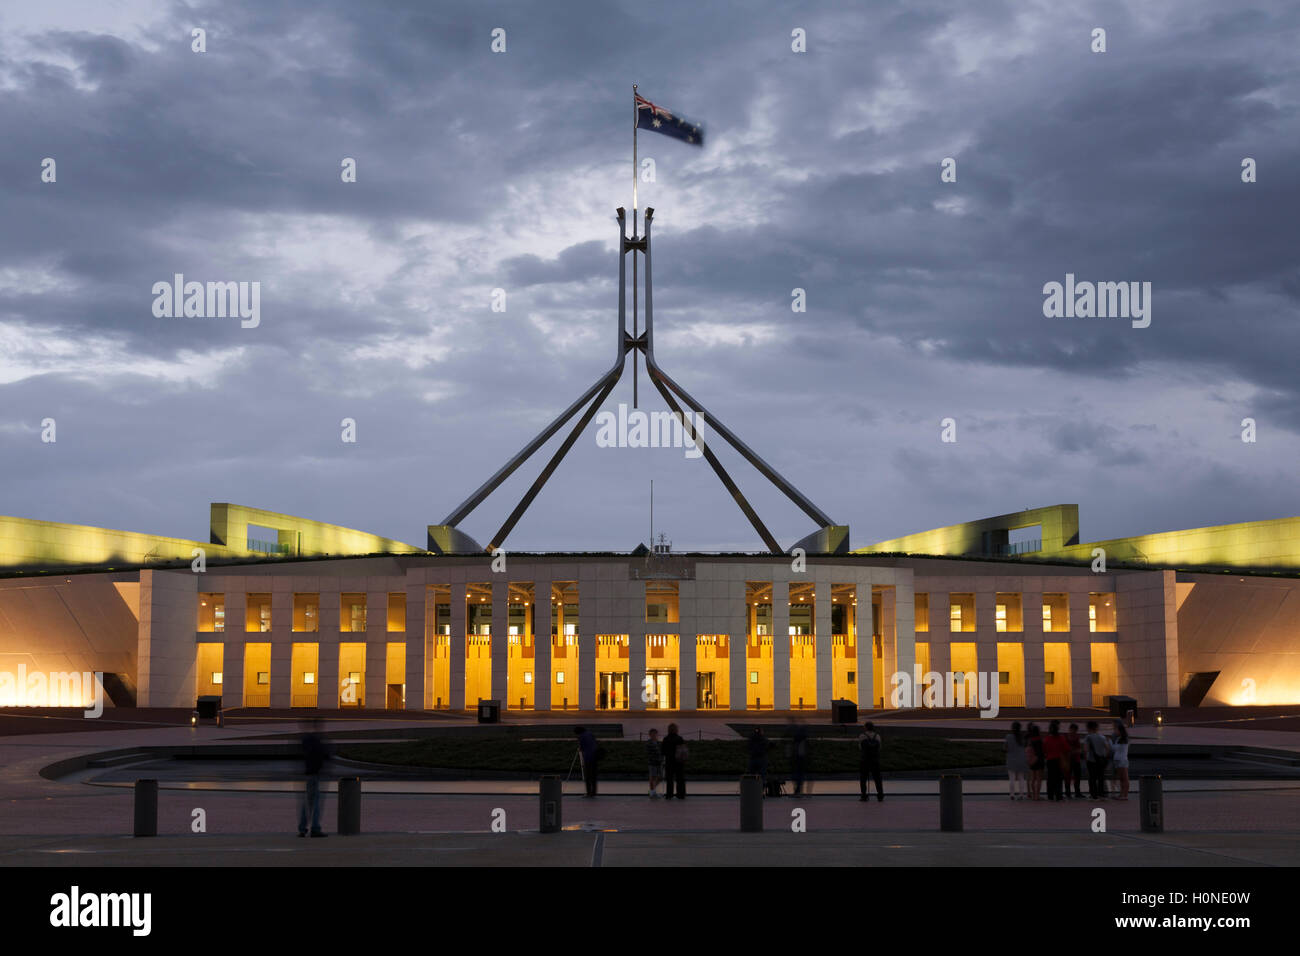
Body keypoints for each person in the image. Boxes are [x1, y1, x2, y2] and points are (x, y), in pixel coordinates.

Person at [298, 719, 328, 837]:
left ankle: (302, 827)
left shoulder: (305, 739)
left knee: (308, 801)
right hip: (314, 773)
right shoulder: (316, 740)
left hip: (309, 772)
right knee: (315, 802)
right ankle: (315, 828)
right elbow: (320, 756)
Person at [1084, 720, 1112, 799]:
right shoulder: (1102, 737)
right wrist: (1104, 757)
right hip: (1101, 760)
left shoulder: (1088, 737)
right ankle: (1101, 793)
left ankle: (1093, 794)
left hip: (1091, 760)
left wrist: (1086, 757)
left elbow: (1086, 749)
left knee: (1092, 778)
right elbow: (1107, 748)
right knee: (1100, 777)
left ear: (1089, 728)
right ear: (1096, 728)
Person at [1043, 720, 1069, 802]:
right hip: (1058, 760)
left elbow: (1044, 750)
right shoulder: (1061, 738)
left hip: (1050, 760)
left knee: (1050, 778)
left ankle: (1050, 795)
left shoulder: (1047, 739)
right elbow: (1066, 749)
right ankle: (1059, 795)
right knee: (1058, 779)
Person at [857, 721, 883, 802]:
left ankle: (864, 795)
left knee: (863, 778)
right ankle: (880, 795)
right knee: (877, 778)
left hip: (865, 760)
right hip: (875, 760)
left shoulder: (862, 736)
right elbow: (879, 748)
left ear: (865, 727)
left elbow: (860, 748)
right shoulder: (877, 736)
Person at [661, 723, 687, 799]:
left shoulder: (666, 739)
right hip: (679, 762)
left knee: (669, 779)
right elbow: (683, 750)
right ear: (676, 730)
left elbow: (663, 751)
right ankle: (681, 794)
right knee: (680, 779)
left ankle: (669, 795)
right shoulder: (679, 738)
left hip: (669, 762)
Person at [1004, 721, 1028, 800]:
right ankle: (1021, 794)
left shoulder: (1008, 737)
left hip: (1011, 759)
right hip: (1021, 759)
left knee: (1012, 779)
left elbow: (1005, 748)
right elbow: (1025, 746)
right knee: (1021, 778)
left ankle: (1012, 795)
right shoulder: (1022, 737)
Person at [574, 726, 599, 797]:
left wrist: (579, 748)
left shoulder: (581, 736)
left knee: (587, 776)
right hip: (595, 756)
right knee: (593, 776)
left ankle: (588, 793)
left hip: (588, 758)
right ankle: (594, 792)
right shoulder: (590, 734)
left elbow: (581, 747)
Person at [1110, 720, 1131, 801]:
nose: (1115, 731)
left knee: (1124, 778)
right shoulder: (1119, 738)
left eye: (1117, 730)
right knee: (1121, 779)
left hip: (1122, 760)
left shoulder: (1124, 739)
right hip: (1118, 760)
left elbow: (1115, 748)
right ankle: (1121, 794)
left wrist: (1109, 743)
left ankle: (1125, 794)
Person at [789, 723, 811, 796]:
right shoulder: (804, 739)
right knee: (800, 775)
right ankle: (799, 790)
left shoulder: (796, 739)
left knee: (797, 775)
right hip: (801, 758)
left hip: (797, 758)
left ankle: (797, 790)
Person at [1026, 723, 1045, 801]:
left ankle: (1033, 795)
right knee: (1039, 779)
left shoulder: (1030, 740)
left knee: (1032, 779)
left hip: (1032, 761)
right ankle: (1037, 795)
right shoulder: (1040, 740)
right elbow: (1042, 751)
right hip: (1039, 760)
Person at [1066, 723, 1084, 799]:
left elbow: (1079, 750)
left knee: (1073, 777)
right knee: (1072, 777)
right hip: (1073, 760)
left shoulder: (1069, 737)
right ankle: (1073, 792)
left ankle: (1071, 793)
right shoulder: (1072, 738)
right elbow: (1079, 750)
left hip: (1073, 760)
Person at [646, 728, 665, 798]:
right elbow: (653, 752)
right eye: (653, 734)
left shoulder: (658, 742)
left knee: (660, 777)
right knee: (652, 777)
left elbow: (661, 751)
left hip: (659, 762)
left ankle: (652, 790)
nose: (654, 735)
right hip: (652, 762)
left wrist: (662, 759)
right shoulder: (648, 743)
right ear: (650, 735)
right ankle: (652, 792)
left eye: (655, 734)